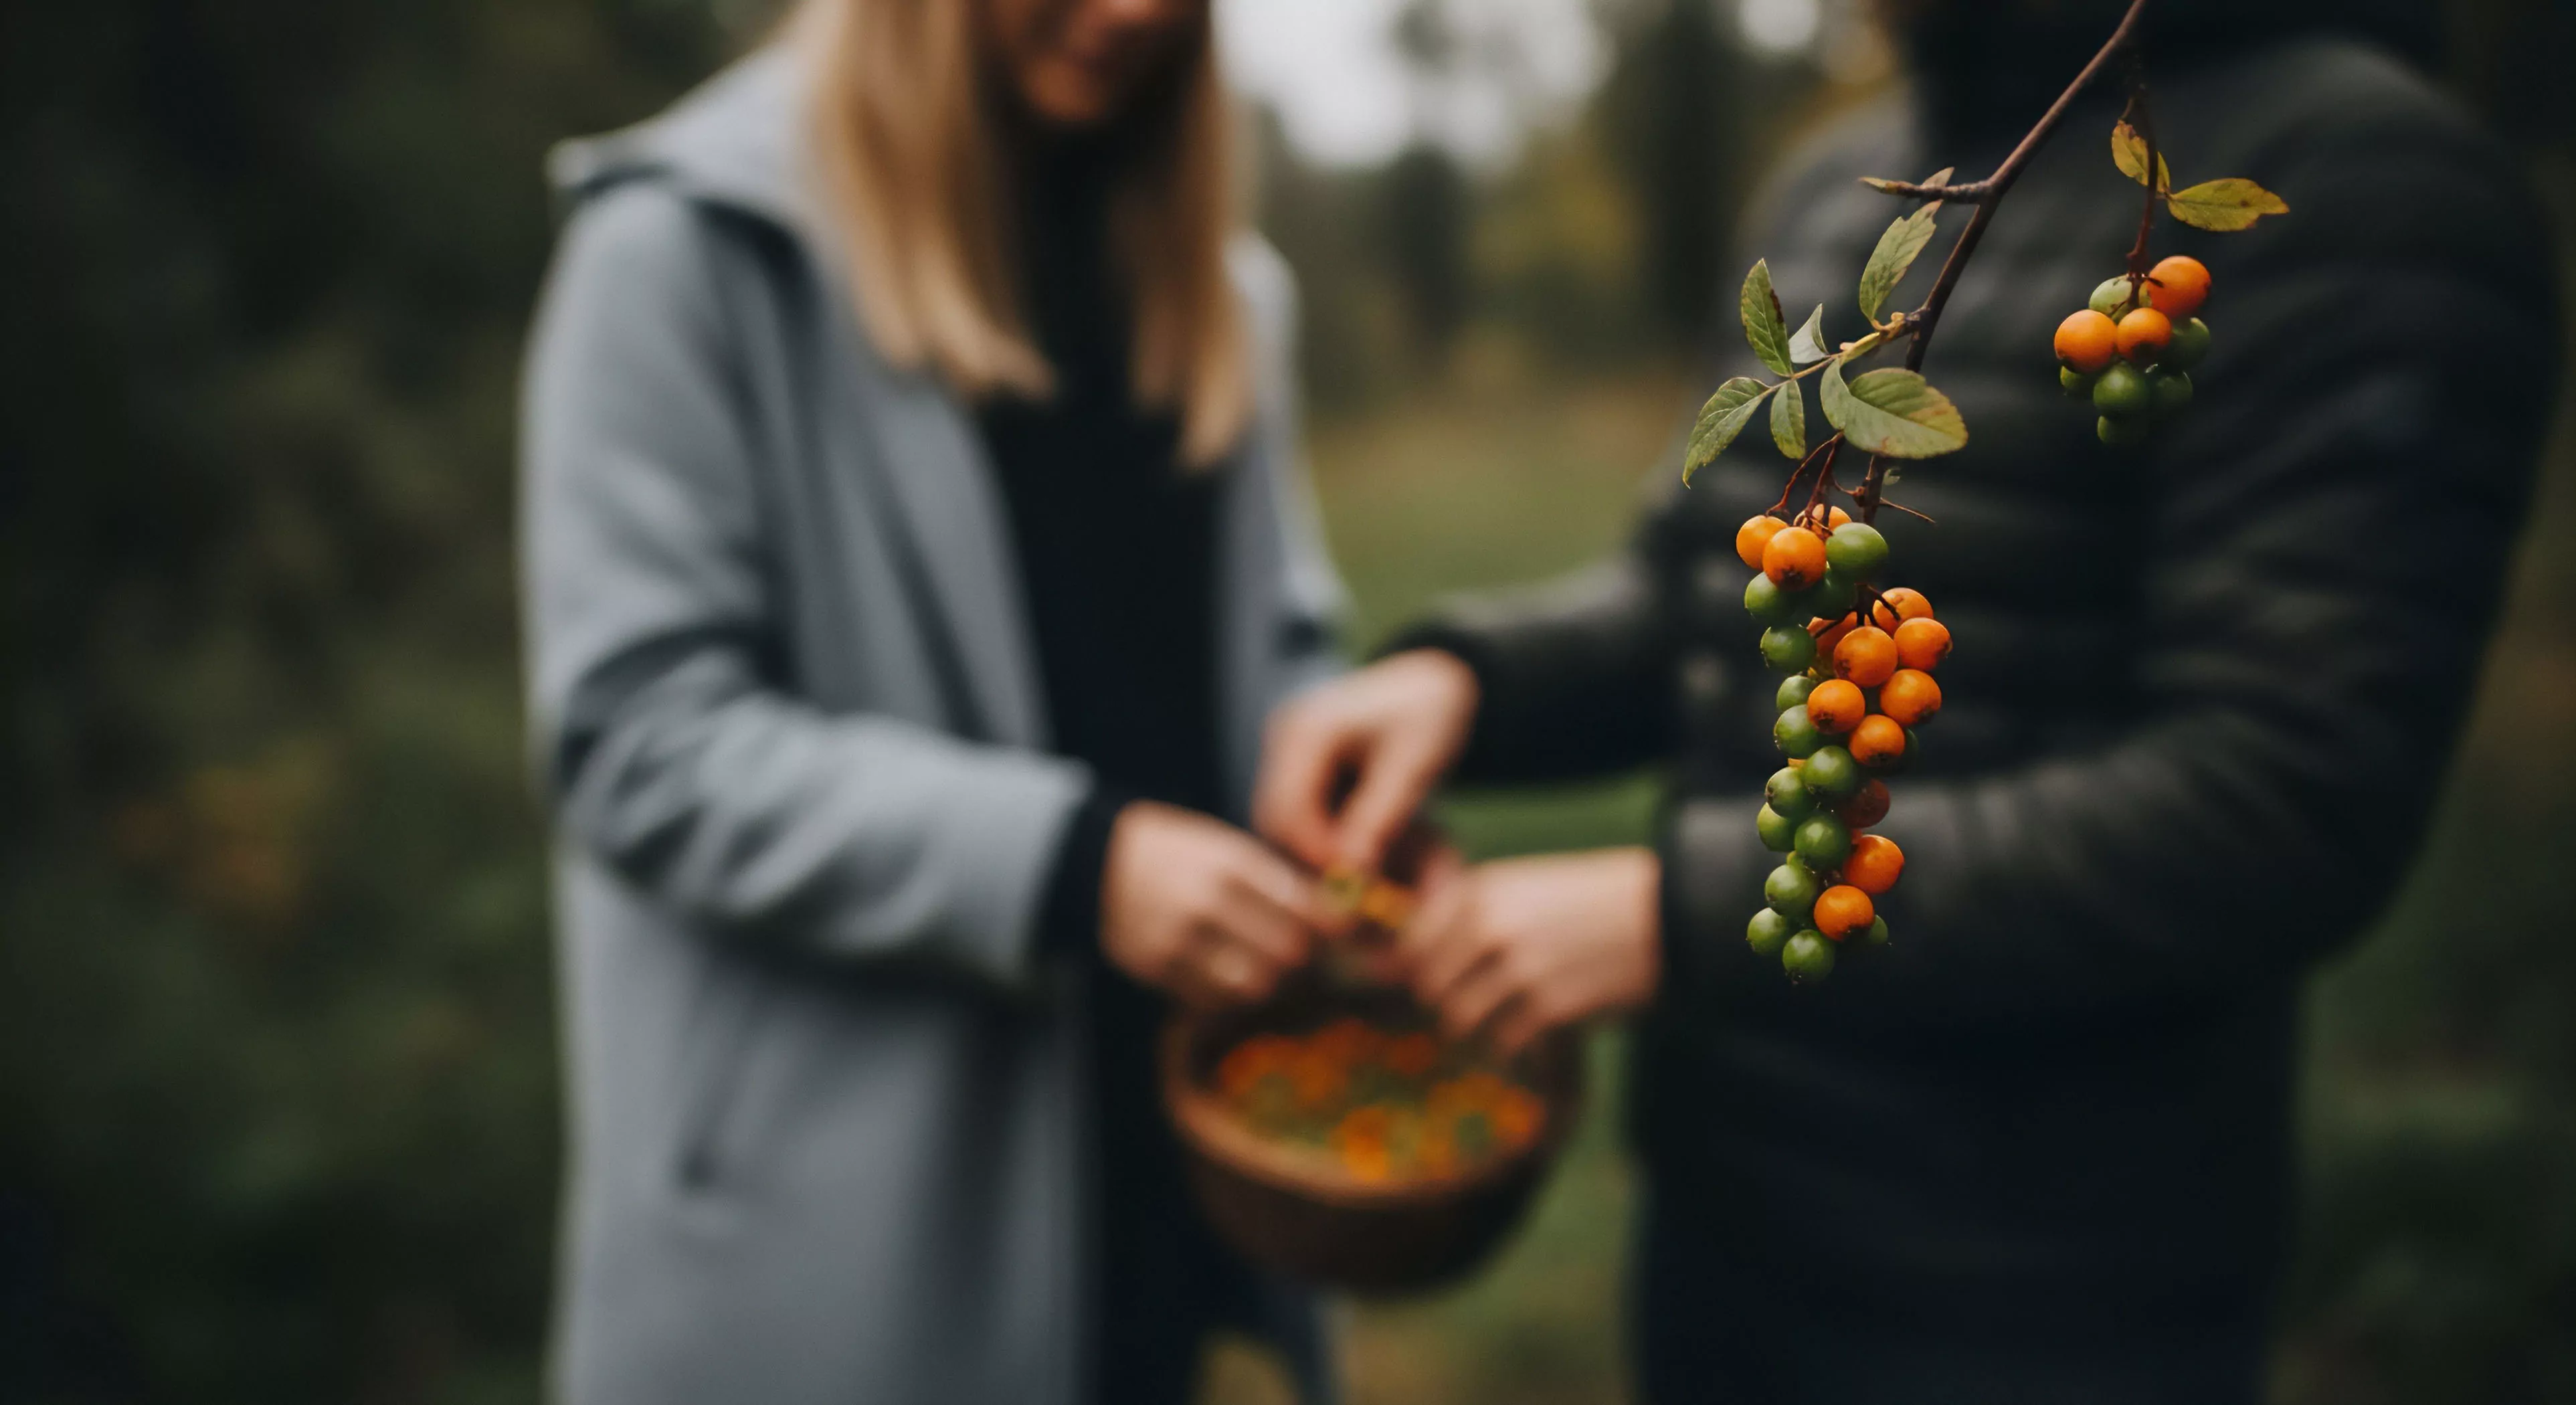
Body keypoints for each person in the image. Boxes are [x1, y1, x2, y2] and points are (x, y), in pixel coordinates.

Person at [1255, 1, 2559, 1400]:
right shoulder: (1847, 184)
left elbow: (2284, 796)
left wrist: (1668, 915)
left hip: (2043, 1298)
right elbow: (1704, 590)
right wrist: (1464, 681)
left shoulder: (2361, 183)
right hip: (1729, 1233)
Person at [519, 2, 1347, 1401]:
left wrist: (1329, 776)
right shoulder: (685, 247)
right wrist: (1076, 869)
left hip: (1144, 1194)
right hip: (844, 1267)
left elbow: (1273, 632)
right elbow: (636, 738)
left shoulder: (1217, 288)